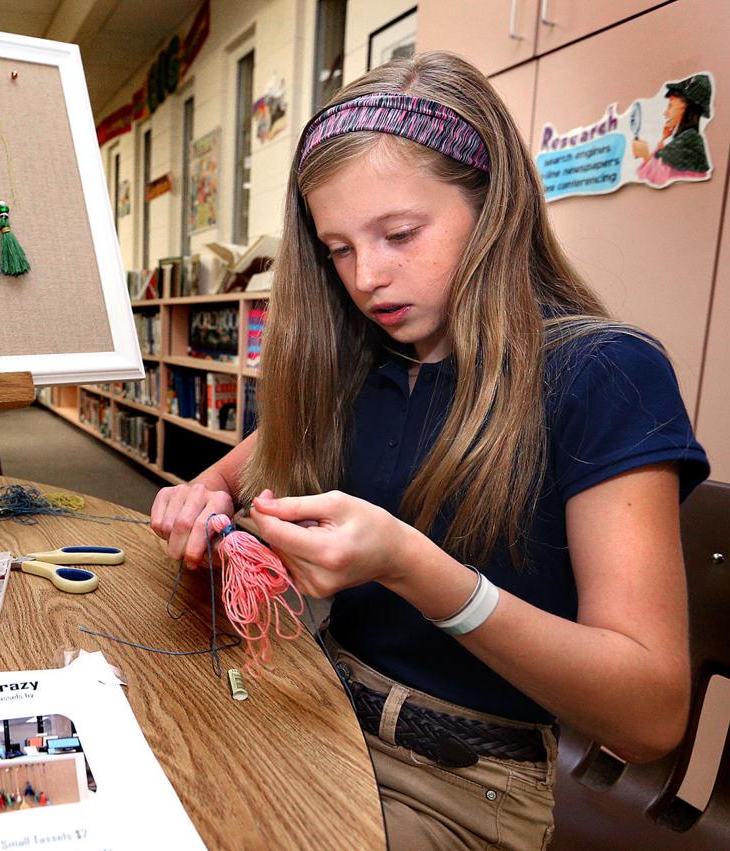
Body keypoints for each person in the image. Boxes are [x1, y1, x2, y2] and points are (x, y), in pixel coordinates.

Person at [150, 51, 709, 849]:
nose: (368, 278)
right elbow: (212, 485)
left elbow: (650, 716)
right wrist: (196, 512)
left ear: (495, 206)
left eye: (401, 233)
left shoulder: (604, 373)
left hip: (465, 784)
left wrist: (415, 568)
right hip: (314, 705)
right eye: (337, 248)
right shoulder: (357, 370)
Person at [633, 73, 712, 187]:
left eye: (670, 105)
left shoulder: (688, 141)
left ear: (685, 108)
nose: (665, 112)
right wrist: (664, 139)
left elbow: (657, 178)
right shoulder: (684, 141)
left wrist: (645, 155)